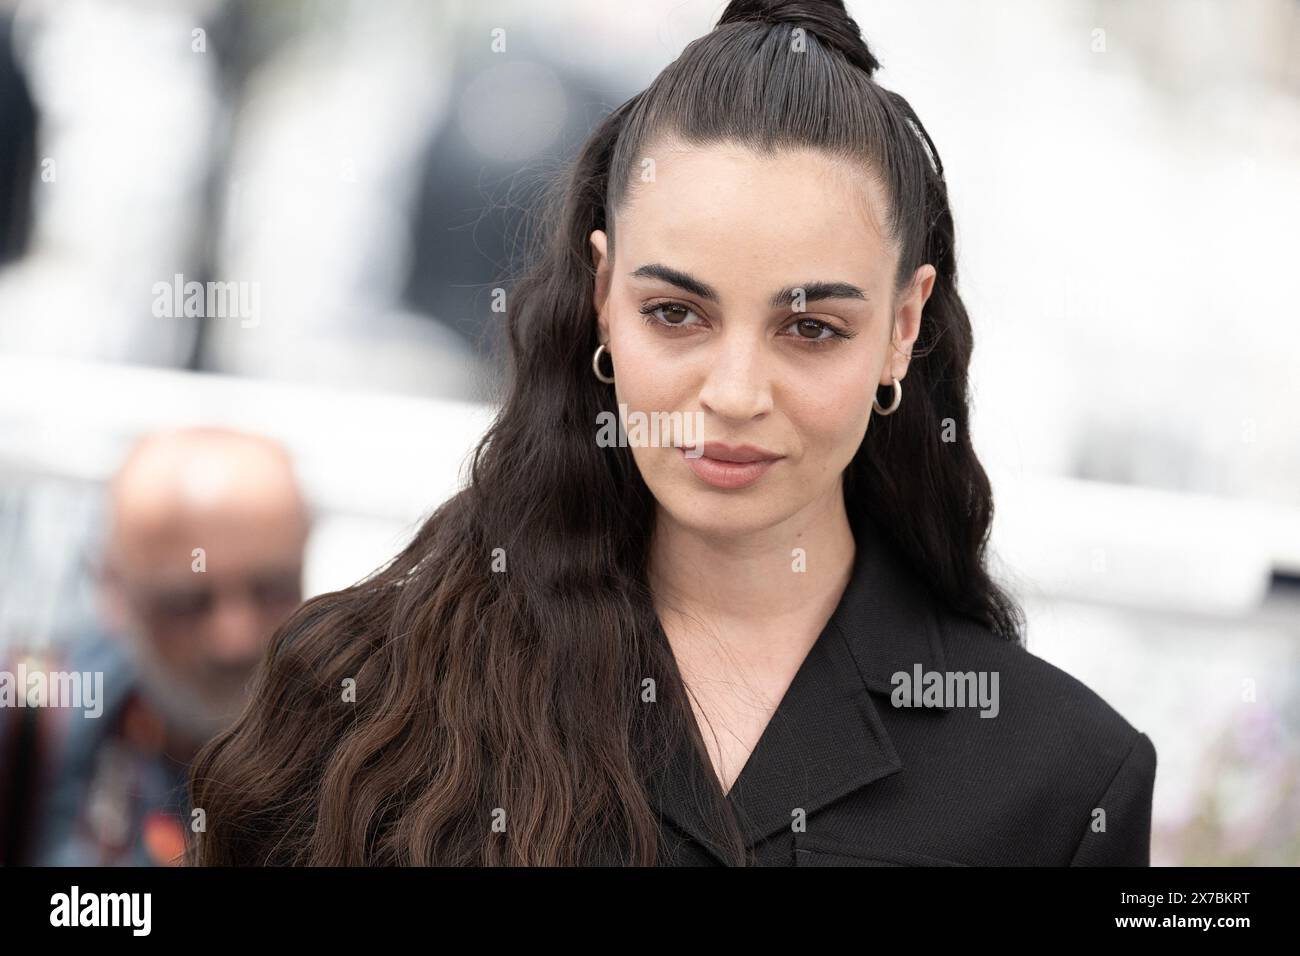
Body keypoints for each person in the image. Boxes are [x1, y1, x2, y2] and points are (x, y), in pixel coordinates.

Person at [185, 0, 1156, 866]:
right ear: (604, 293)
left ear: (903, 326)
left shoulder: (1061, 777)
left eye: (811, 328)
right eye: (677, 314)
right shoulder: (363, 698)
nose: (733, 393)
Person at [5, 426, 309, 865]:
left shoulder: (360, 740)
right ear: (114, 587)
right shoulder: (36, 711)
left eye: (272, 590)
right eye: (186, 602)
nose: (235, 639)